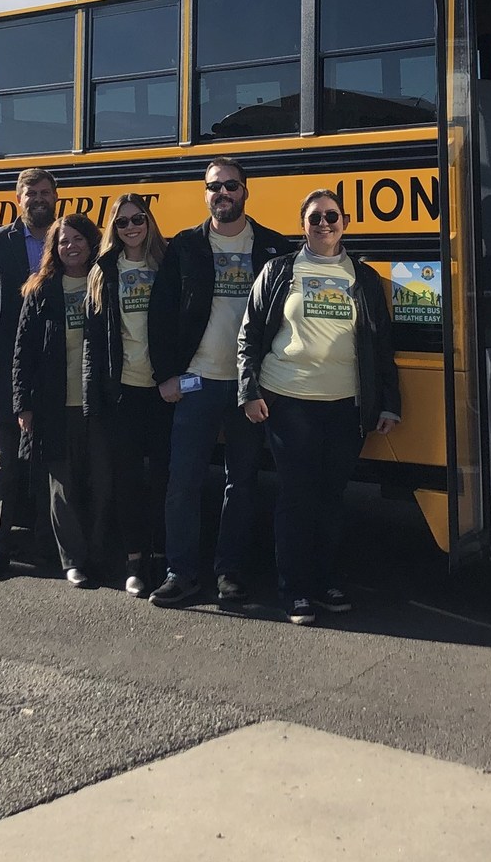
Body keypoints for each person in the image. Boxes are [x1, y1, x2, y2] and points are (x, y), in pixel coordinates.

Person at [238, 189, 401, 626]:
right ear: (303, 224)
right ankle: (294, 591)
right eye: (315, 218)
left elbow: (380, 345)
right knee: (296, 496)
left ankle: (326, 580)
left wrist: (389, 402)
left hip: (346, 405)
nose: (324, 224)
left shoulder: (363, 277)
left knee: (331, 497)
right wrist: (249, 392)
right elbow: (250, 335)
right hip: (288, 402)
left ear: (345, 221)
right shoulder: (279, 271)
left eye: (332, 216)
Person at [145, 159, 291, 608]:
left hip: (251, 385)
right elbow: (161, 313)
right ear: (205, 194)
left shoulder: (272, 248)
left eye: (231, 186)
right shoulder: (185, 246)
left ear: (246, 191)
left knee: (242, 482)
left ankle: (230, 573)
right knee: (182, 481)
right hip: (197, 381)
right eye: (214, 187)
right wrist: (166, 375)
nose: (222, 193)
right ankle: (181, 572)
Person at [0, 167, 61, 580]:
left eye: (45, 192)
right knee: (4, 466)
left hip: (56, 371)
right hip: (7, 373)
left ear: (56, 197)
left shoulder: (68, 239)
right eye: (30, 193)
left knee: (50, 464)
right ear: (17, 199)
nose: (38, 198)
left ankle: (45, 546)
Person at [11, 214, 110, 587]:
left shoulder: (104, 282)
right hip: (53, 403)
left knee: (101, 483)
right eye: (63, 241)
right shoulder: (40, 289)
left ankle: (100, 555)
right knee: (61, 488)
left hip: (97, 402)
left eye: (78, 239)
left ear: (91, 241)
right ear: (53, 248)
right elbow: (23, 351)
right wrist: (23, 404)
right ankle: (72, 560)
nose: (71, 246)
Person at [89, 193, 169, 596]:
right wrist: (96, 396)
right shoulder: (103, 271)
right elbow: (94, 342)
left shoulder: (167, 263)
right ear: (114, 229)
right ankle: (134, 560)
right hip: (123, 392)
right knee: (127, 481)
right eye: (122, 222)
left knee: (164, 479)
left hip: (165, 390)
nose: (131, 227)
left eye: (138, 219)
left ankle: (164, 559)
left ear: (149, 221)